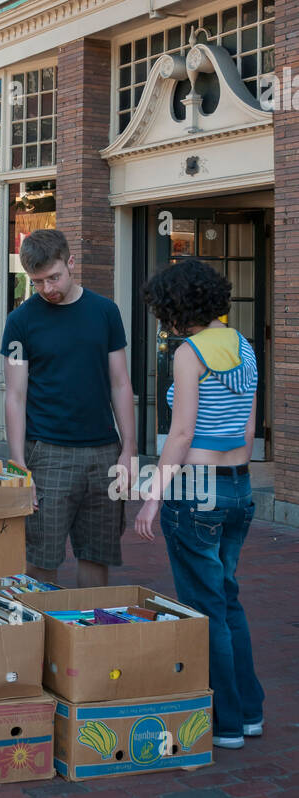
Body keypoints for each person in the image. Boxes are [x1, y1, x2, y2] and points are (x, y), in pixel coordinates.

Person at [135, 258, 263, 750]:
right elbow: (249, 430)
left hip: (197, 489)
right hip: (239, 485)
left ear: (175, 307)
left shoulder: (189, 353)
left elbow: (182, 432)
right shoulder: (242, 345)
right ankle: (248, 713)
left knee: (204, 608)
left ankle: (225, 723)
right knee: (229, 601)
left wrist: (153, 497)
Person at [2, 229, 136, 587]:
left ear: (71, 262)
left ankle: (87, 638)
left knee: (97, 555)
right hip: (47, 454)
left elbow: (121, 383)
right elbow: (14, 395)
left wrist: (129, 451)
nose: (47, 288)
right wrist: (18, 463)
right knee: (41, 559)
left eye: (54, 277)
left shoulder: (106, 312)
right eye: (38, 282)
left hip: (104, 452)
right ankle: (40, 636)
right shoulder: (20, 322)